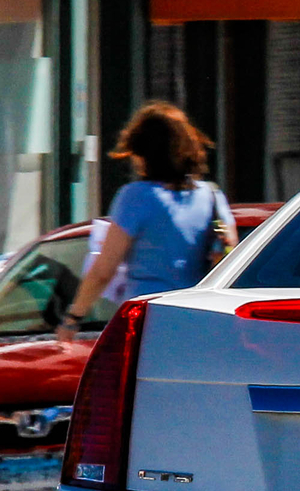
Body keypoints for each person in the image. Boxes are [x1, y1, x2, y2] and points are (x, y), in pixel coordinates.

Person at [58, 102, 233, 342]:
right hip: (203, 324)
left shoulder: (136, 196)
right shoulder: (212, 196)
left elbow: (103, 270)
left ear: (142, 154)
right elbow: (229, 252)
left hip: (148, 324)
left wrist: (72, 319)